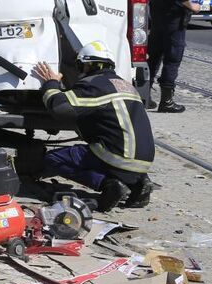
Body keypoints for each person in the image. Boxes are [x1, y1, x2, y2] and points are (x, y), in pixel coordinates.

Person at [31, 41, 154, 212]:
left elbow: (59, 107)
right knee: (100, 153)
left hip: (118, 156)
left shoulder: (94, 85)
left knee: (53, 159)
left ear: (86, 65)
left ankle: (110, 185)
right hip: (143, 161)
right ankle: (140, 183)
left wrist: (51, 83)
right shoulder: (125, 85)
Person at [148, 0, 199, 113]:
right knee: (172, 58)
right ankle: (166, 101)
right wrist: (194, 7)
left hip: (156, 20)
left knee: (153, 58)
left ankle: (144, 96)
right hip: (174, 21)